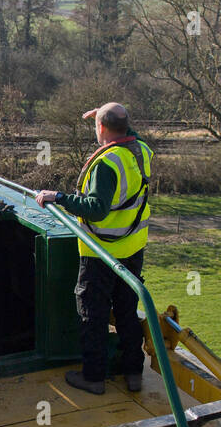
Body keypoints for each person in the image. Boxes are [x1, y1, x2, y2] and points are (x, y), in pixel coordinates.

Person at [36, 102, 152, 395]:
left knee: (93, 314)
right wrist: (106, 114)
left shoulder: (107, 164)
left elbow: (96, 209)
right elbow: (127, 131)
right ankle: (133, 373)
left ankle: (94, 377)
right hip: (132, 248)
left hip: (100, 252)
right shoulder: (140, 151)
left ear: (101, 128)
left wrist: (58, 197)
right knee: (127, 312)